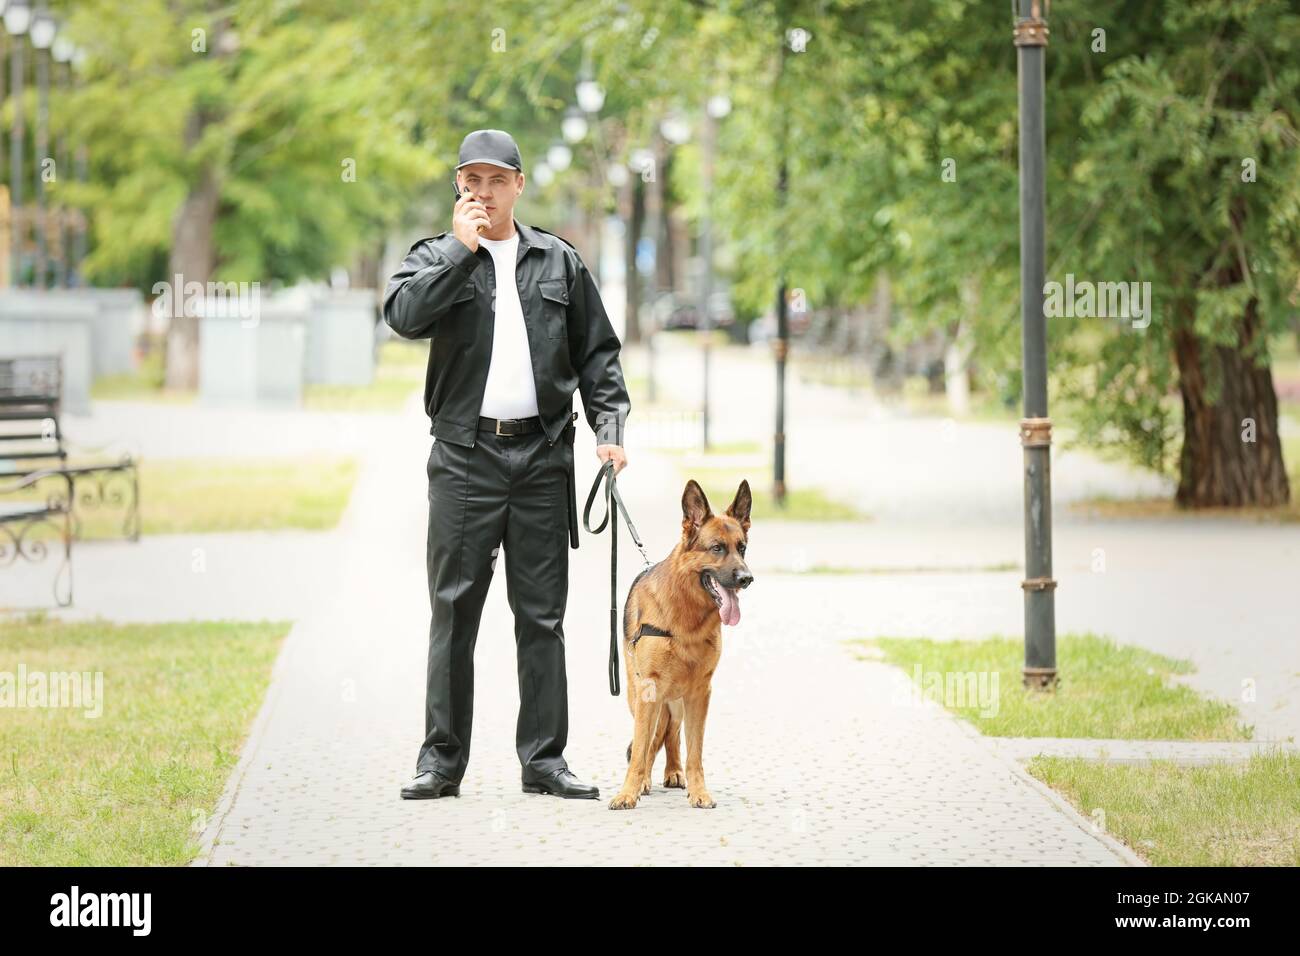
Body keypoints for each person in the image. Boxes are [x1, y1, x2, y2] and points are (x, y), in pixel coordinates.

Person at [384, 129, 630, 800]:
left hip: (544, 459)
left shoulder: (559, 262)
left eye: (496, 180)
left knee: (542, 615)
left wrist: (609, 429)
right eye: (472, 180)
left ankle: (545, 760)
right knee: (454, 611)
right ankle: (441, 761)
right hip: (465, 460)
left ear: (519, 185)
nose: (484, 192)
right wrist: (462, 255)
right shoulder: (435, 257)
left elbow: (598, 355)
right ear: (459, 187)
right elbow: (403, 317)